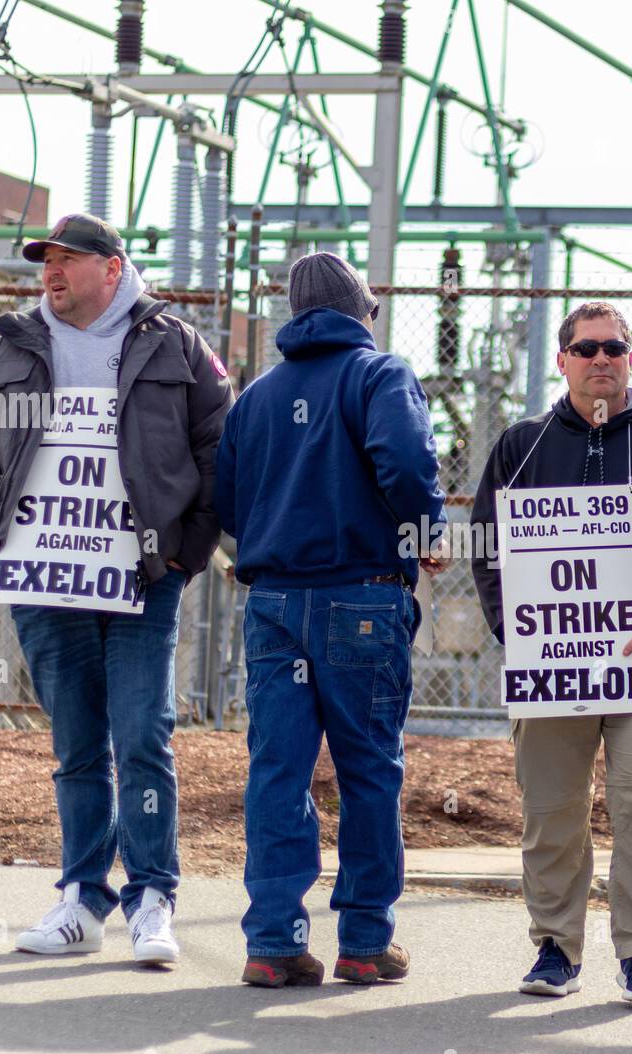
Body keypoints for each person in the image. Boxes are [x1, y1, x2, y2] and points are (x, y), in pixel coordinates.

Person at [0, 213, 233, 965]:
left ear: (112, 269)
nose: (52, 270)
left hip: (144, 575)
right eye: (46, 260)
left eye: (68, 259)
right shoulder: (11, 347)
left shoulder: (173, 343)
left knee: (142, 735)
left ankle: (151, 899)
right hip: (47, 578)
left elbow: (219, 448)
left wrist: (187, 549)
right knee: (78, 744)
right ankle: (82, 899)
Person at [470, 301, 632, 1005]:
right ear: (563, 360)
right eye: (586, 349)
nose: (601, 359)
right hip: (551, 670)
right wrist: (515, 629)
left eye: (615, 347)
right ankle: (555, 947)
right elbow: (488, 550)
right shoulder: (522, 444)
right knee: (552, 808)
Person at [214, 251, 447, 989]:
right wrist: (423, 530)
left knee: (277, 769)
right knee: (368, 768)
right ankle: (364, 941)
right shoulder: (379, 375)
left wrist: (277, 537)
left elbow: (226, 499)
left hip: (274, 599)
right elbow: (406, 463)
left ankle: (275, 941)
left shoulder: (255, 397)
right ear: (361, 312)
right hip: (361, 596)